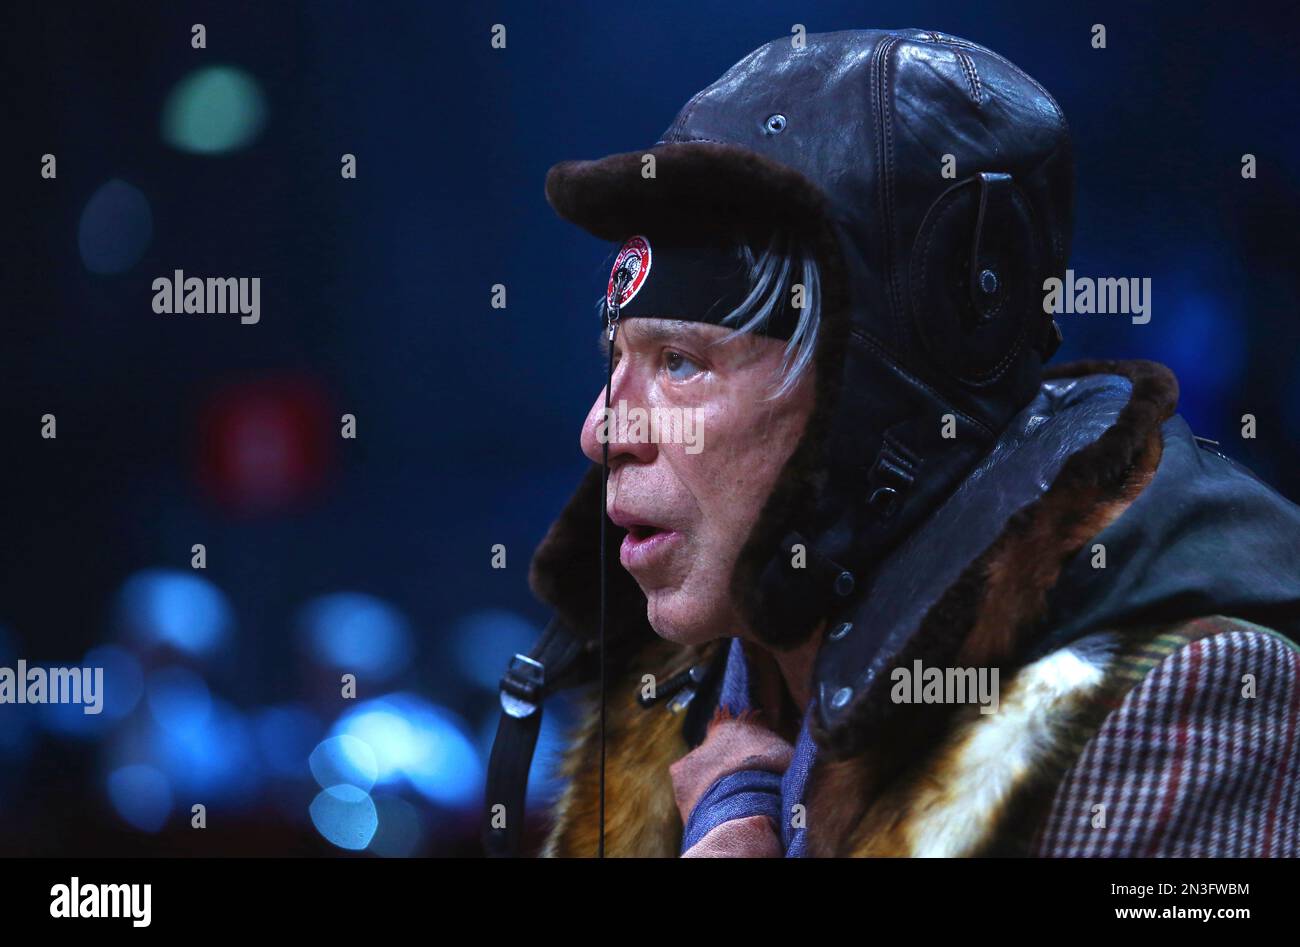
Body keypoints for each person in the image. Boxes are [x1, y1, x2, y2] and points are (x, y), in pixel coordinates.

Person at [485, 28, 1300, 858]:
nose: (601, 430)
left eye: (682, 362)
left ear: (867, 398)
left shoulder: (1188, 699)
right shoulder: (668, 700)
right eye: (615, 359)